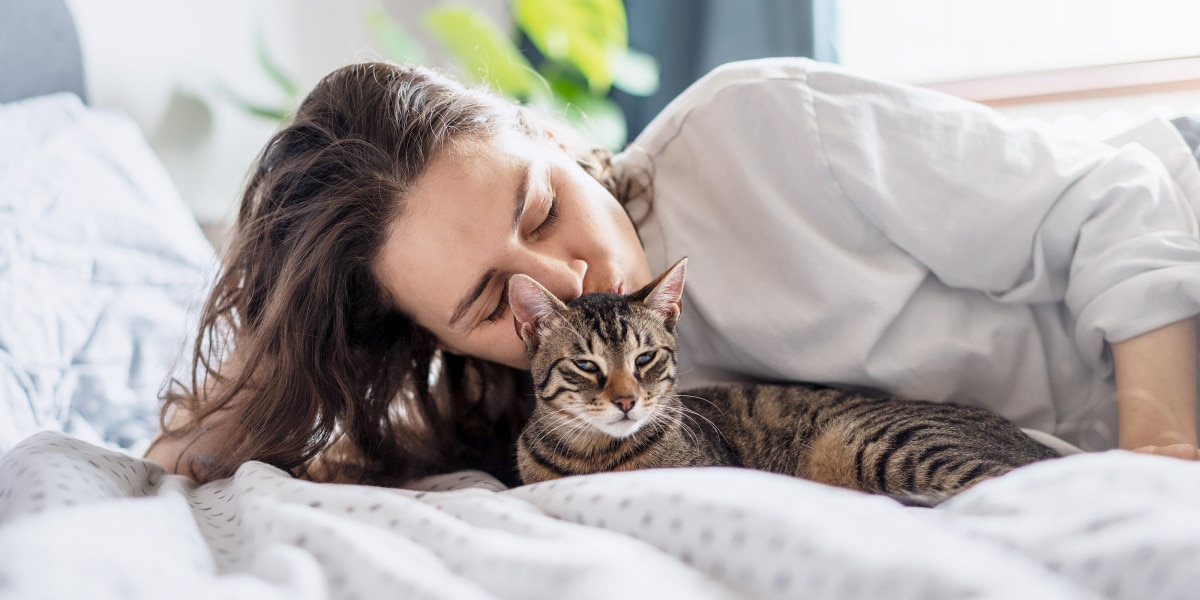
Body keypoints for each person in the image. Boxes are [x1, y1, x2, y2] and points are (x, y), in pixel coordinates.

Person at [146, 58, 1200, 487]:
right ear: (445, 340)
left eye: (542, 208)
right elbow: (188, 457)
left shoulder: (759, 130)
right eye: (493, 302)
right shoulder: (549, 418)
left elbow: (1116, 199)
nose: (565, 278)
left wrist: (1159, 451)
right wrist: (265, 375)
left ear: (546, 136)